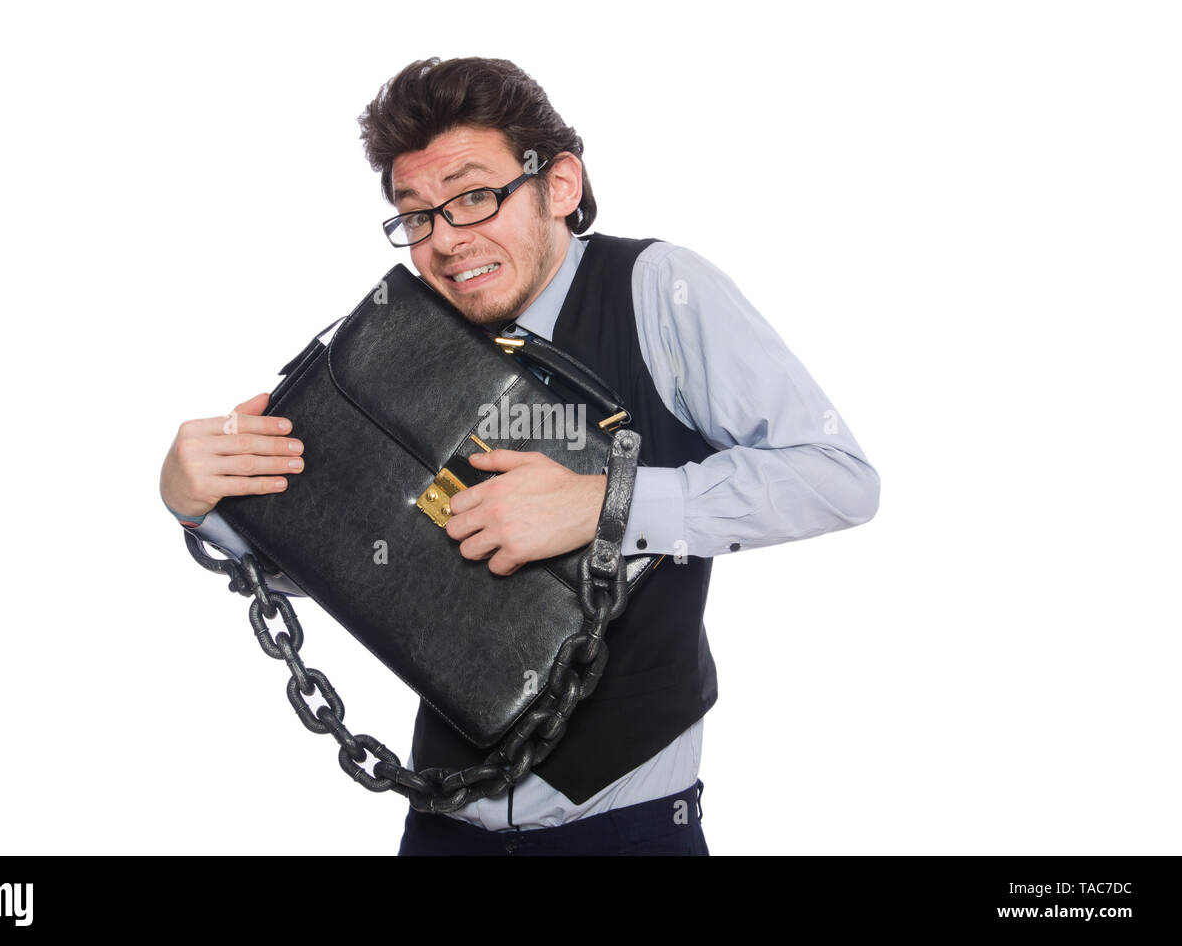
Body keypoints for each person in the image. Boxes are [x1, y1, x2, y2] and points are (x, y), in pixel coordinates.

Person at [159, 57, 880, 855]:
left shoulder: (658, 288)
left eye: (474, 196)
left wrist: (604, 503)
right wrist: (212, 507)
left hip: (626, 829)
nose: (446, 241)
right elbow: (366, 564)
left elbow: (835, 476)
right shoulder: (410, 333)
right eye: (418, 215)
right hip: (442, 829)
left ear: (560, 184)